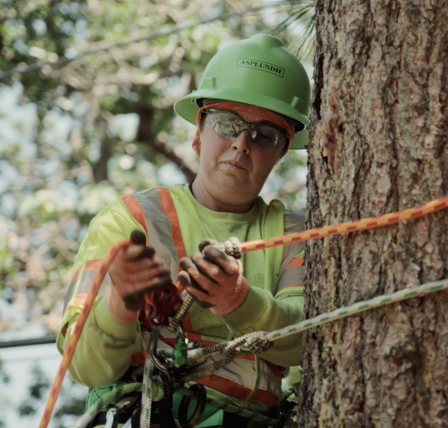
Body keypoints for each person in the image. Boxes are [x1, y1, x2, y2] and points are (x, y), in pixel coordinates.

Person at [57, 34, 310, 427]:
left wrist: (237, 300)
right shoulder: (128, 221)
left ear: (281, 153)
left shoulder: (296, 235)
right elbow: (85, 367)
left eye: (264, 135)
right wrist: (118, 305)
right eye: (227, 124)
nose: (241, 144)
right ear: (198, 134)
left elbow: (308, 340)